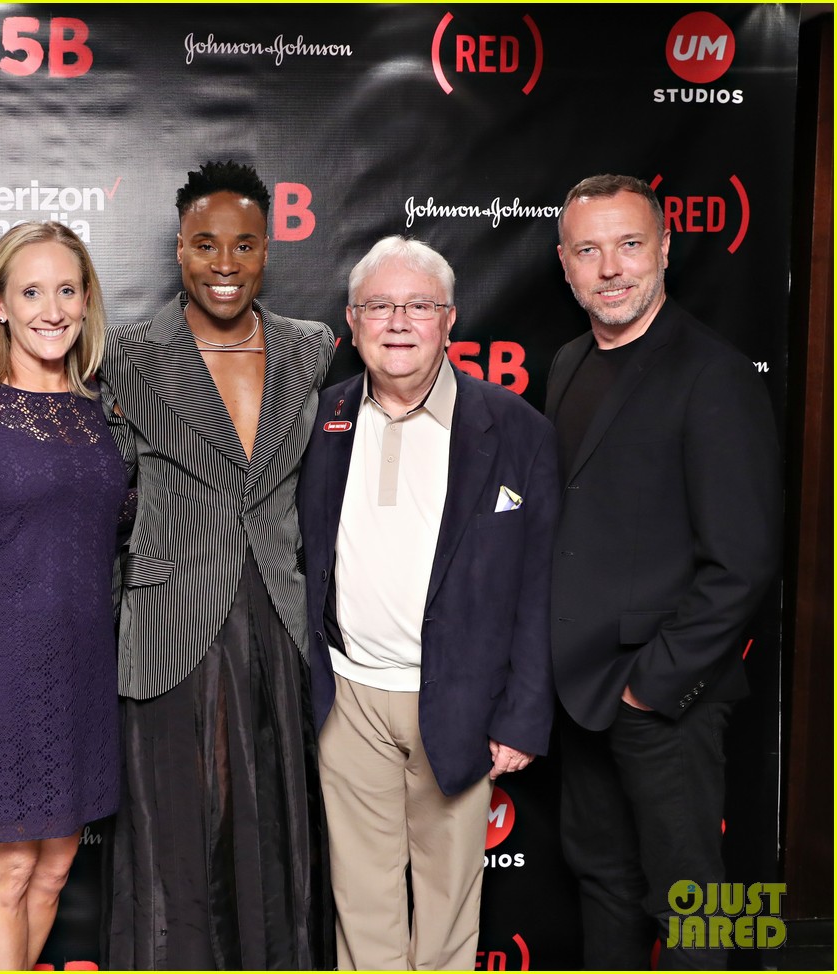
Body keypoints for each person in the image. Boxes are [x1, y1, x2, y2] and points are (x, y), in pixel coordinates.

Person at [99, 160, 335, 970]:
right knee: (173, 843)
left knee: (277, 834)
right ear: (179, 249)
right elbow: (100, 492)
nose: (225, 263)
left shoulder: (311, 349)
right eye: (205, 244)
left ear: (268, 249)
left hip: (278, 618)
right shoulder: (128, 355)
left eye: (244, 244)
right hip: (171, 622)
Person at [298, 236, 559, 970]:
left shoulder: (516, 429)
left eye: (419, 305)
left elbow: (540, 584)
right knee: (362, 898)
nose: (398, 322)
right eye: (379, 305)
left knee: (448, 900)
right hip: (348, 697)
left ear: (450, 320)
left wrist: (521, 716)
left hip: (462, 701)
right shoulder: (319, 420)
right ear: (352, 322)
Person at [547, 174, 781, 969]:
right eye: (588, 250)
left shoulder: (714, 373)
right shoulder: (568, 362)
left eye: (629, 244)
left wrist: (650, 688)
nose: (611, 267)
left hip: (663, 701)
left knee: (694, 906)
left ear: (665, 249)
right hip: (579, 696)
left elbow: (743, 560)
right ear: (565, 264)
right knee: (603, 883)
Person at [0, 222, 126, 970]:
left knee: (55, 868)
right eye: (31, 291)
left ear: (86, 300)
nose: (52, 309)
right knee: (6, 871)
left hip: (81, 668)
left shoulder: (102, 410)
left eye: (67, 290)